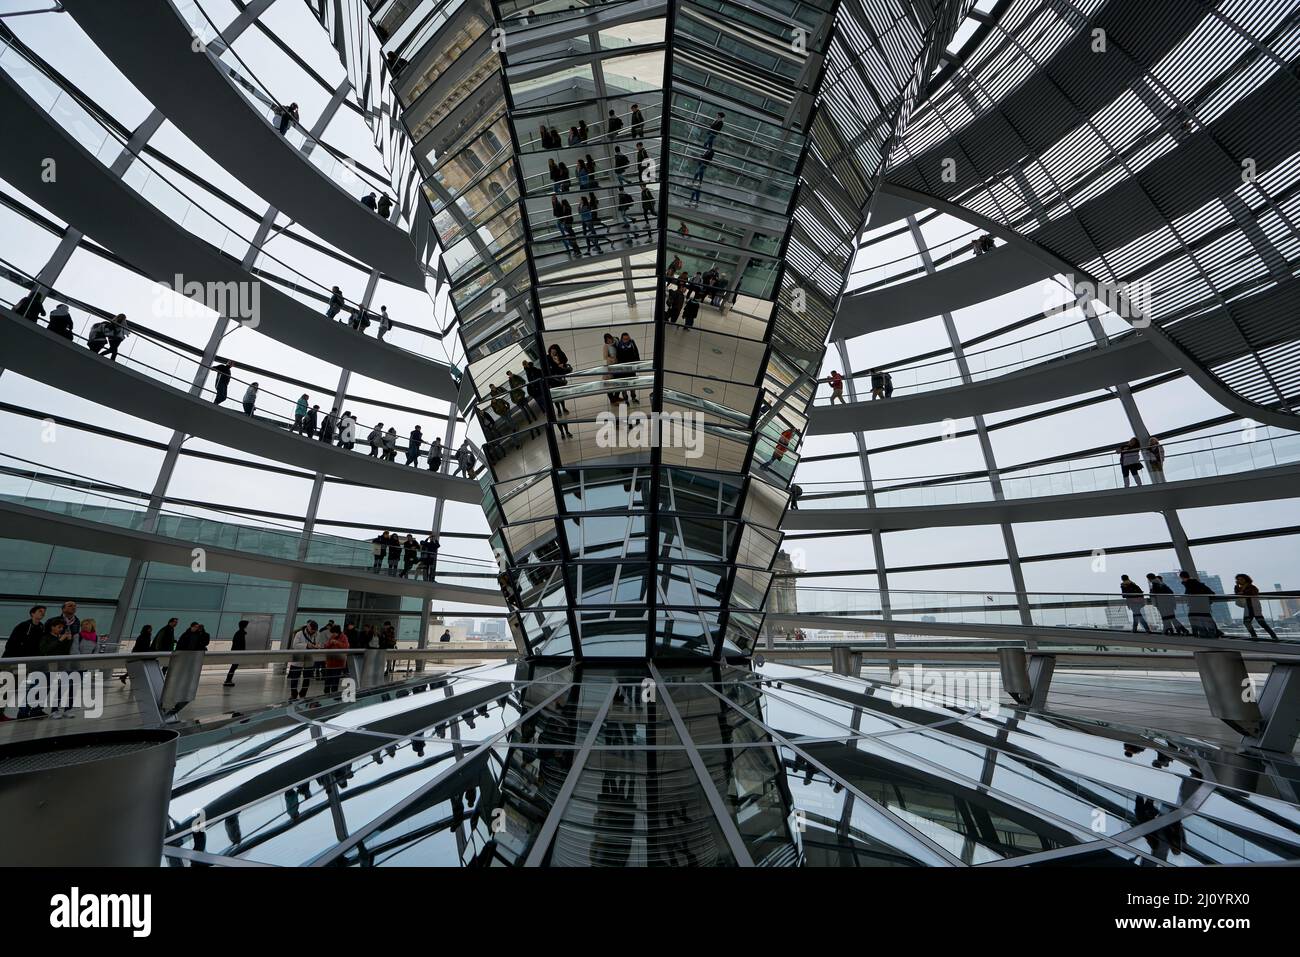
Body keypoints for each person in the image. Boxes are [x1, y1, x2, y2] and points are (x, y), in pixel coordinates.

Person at [38, 619, 72, 718]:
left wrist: (68, 640)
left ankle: (52, 710)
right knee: (45, 688)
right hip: (48, 666)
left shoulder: (59, 637)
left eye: (62, 627)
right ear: (52, 627)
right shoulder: (46, 637)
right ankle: (35, 710)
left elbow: (65, 652)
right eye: (59, 627)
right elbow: (45, 649)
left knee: (56, 688)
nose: (61, 629)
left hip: (59, 666)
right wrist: (60, 640)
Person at [1234, 573, 1279, 641]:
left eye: (1241, 579)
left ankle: (1273, 637)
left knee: (1261, 622)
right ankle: (1254, 636)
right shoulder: (1241, 588)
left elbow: (1250, 593)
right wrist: (1237, 586)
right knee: (1247, 622)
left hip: (1255, 607)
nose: (1240, 581)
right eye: (1238, 580)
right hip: (1248, 607)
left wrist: (1241, 593)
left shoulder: (1251, 586)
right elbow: (1237, 594)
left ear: (1246, 579)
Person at [1179, 571, 1219, 639]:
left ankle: (1200, 632)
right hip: (1203, 604)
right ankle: (1213, 632)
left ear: (1182, 577)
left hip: (1197, 605)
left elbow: (1189, 593)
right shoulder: (1196, 583)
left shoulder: (1190, 583)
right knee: (1206, 617)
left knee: (1193, 616)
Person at [287, 620, 319, 700]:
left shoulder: (317, 634)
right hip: (298, 657)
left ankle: (303, 693)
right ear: (308, 627)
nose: (313, 632)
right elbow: (295, 645)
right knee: (294, 677)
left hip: (309, 657)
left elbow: (320, 643)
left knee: (307, 677)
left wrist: (317, 646)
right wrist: (307, 645)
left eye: (314, 630)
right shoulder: (299, 634)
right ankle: (293, 694)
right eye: (312, 630)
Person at [323, 625, 349, 695]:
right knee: (327, 679)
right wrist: (330, 643)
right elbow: (325, 646)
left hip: (338, 663)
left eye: (333, 633)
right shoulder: (332, 637)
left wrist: (337, 643)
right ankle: (326, 692)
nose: (332, 634)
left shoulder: (344, 637)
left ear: (337, 632)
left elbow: (346, 646)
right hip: (330, 662)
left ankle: (334, 693)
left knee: (335, 679)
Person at [222, 620, 248, 687]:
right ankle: (228, 680)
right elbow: (239, 644)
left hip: (236, 652)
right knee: (234, 666)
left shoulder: (239, 633)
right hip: (237, 653)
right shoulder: (240, 634)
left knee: (234, 666)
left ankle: (228, 679)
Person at [616, 332, 640, 403]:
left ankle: (633, 397)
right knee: (624, 384)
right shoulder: (619, 345)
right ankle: (625, 399)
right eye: (625, 339)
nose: (626, 340)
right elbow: (618, 356)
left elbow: (636, 351)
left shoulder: (632, 342)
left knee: (632, 383)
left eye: (627, 338)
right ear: (622, 339)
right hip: (623, 368)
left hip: (632, 367)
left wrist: (638, 363)